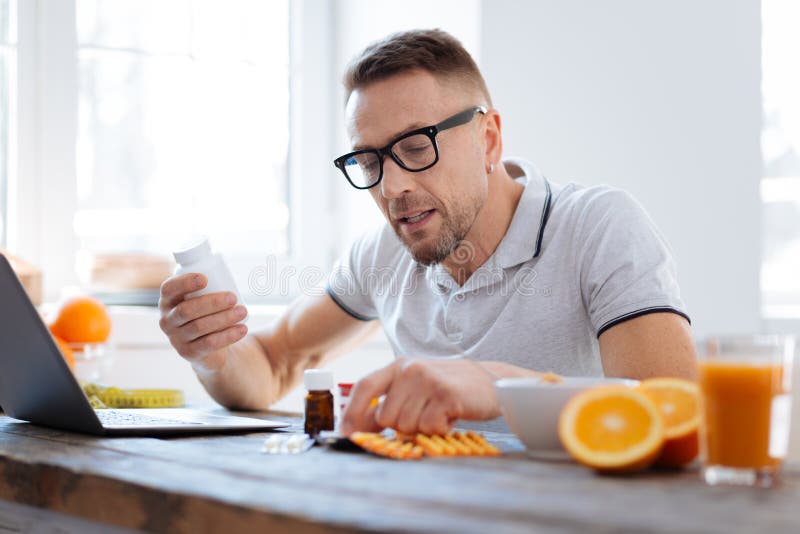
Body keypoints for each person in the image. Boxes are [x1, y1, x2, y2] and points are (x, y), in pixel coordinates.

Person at [158, 29, 696, 436]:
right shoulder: (383, 253)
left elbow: (673, 416)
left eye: (417, 147)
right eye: (369, 160)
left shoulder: (597, 227)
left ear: (487, 141)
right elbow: (273, 364)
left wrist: (501, 389)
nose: (391, 187)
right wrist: (211, 352)